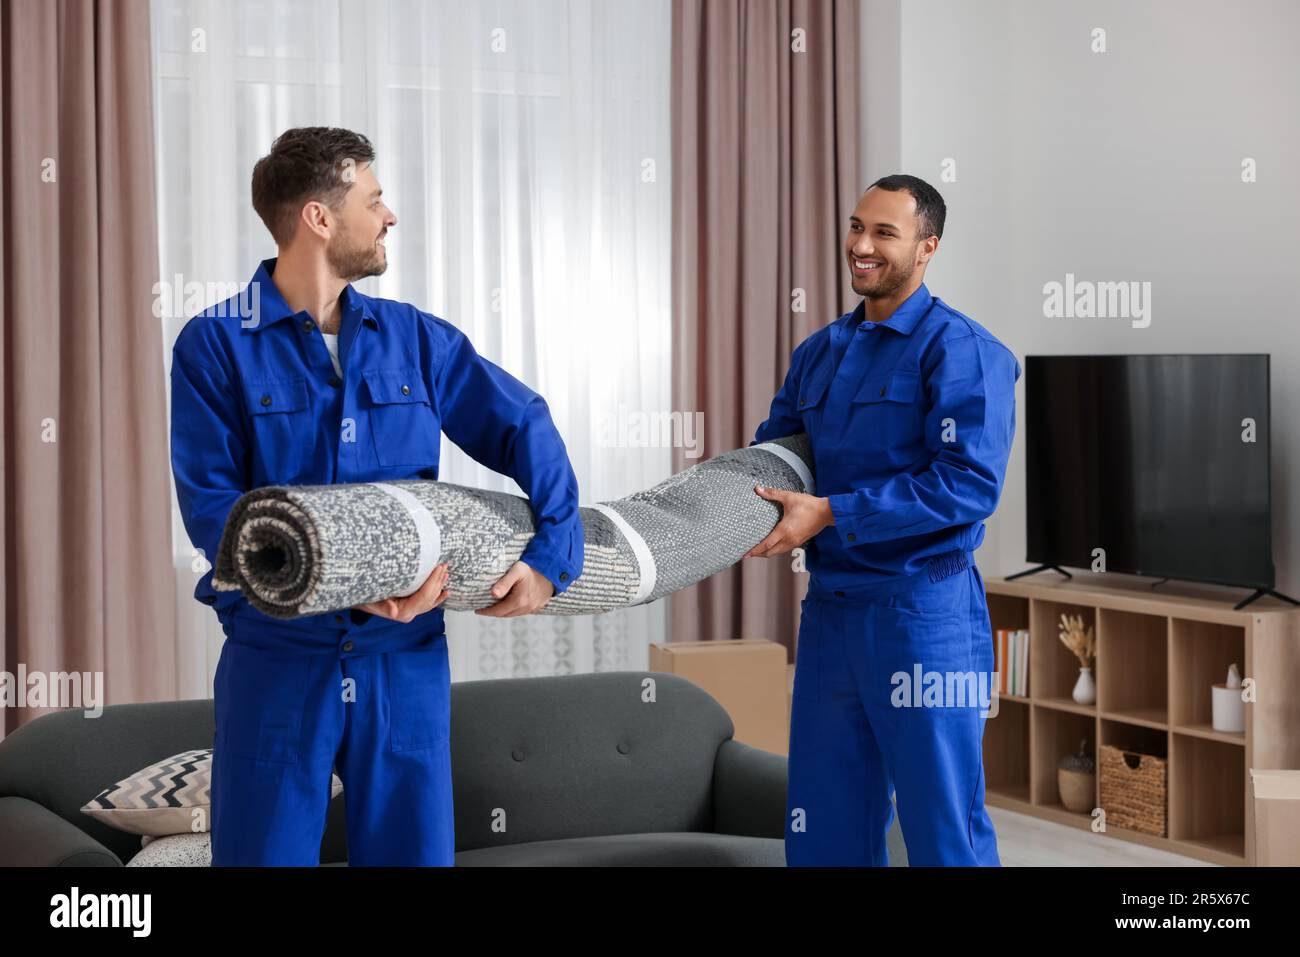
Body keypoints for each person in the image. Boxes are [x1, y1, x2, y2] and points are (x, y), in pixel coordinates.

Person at [169, 127, 583, 866]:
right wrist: (347, 583)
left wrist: (552, 555)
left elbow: (524, 423)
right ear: (319, 219)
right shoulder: (215, 344)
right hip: (277, 659)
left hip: (404, 658)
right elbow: (214, 514)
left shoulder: (415, 341)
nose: (390, 216)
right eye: (376, 198)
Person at [746, 174, 1018, 866]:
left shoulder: (965, 352)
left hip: (923, 613)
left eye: (883, 233)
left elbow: (968, 485)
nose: (860, 245)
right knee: (823, 820)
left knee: (941, 828)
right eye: (855, 227)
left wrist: (833, 512)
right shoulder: (819, 353)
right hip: (833, 611)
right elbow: (776, 458)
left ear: (927, 247)